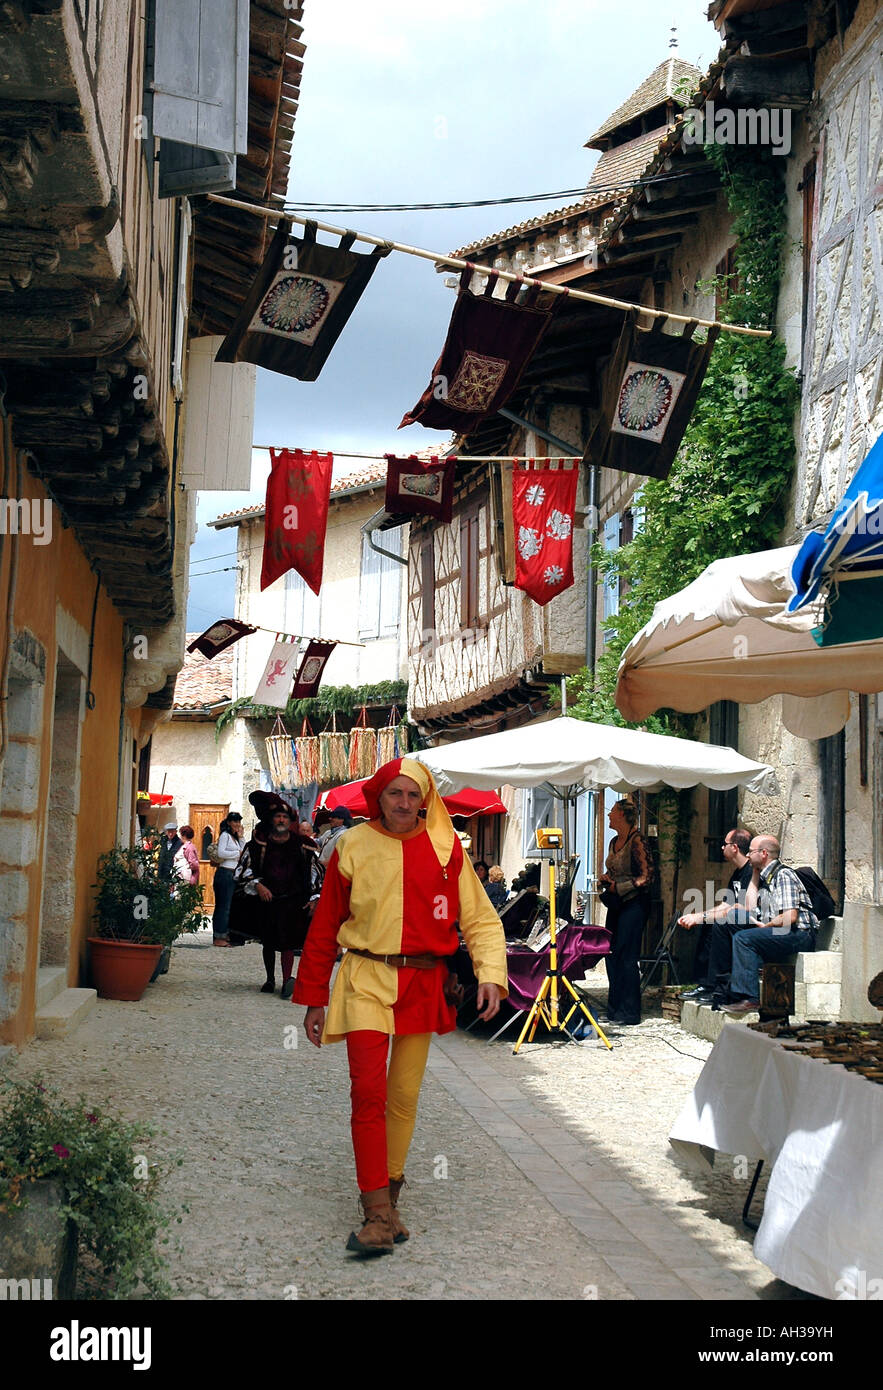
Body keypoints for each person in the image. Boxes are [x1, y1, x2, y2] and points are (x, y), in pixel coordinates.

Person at [293, 757, 508, 1256]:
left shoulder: (447, 847)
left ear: (425, 799)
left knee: (403, 1096)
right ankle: (376, 1215)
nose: (405, 803)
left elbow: (478, 918)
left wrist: (493, 975)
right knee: (367, 1094)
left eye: (414, 795)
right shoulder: (350, 845)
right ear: (380, 796)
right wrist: (312, 997)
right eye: (396, 794)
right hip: (365, 977)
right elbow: (324, 928)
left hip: (423, 983)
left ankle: (390, 1203)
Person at [722, 834, 818, 1014]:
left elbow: (790, 917)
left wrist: (767, 926)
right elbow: (750, 907)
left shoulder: (784, 875)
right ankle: (752, 969)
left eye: (751, 852)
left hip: (800, 934)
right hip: (782, 931)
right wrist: (755, 876)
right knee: (735, 916)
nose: (748, 855)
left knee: (743, 939)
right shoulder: (765, 876)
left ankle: (750, 998)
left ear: (764, 853)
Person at [230, 792, 313, 997]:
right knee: (268, 942)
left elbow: (314, 873)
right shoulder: (258, 844)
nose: (281, 820)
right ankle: (270, 979)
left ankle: (287, 981)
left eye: (285, 817)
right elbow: (242, 870)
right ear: (271, 819)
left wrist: (313, 898)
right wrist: (258, 885)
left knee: (287, 943)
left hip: (292, 902)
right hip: (268, 901)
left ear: (290, 820)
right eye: (277, 817)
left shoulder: (301, 845)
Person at [678, 828, 753, 1003]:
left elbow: (739, 907)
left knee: (717, 924)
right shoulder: (738, 873)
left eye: (725, 844)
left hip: (749, 922)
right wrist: (700, 916)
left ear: (734, 847)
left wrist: (700, 917)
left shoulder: (750, 872)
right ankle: (705, 984)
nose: (721, 848)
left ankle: (716, 986)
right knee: (709, 924)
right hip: (735, 918)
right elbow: (727, 904)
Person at [599, 799, 653, 1026]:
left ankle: (630, 1012)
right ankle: (614, 1008)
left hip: (633, 905)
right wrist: (606, 880)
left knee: (628, 957)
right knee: (611, 955)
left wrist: (618, 887)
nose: (609, 815)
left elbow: (646, 876)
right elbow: (612, 868)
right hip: (616, 905)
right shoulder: (614, 841)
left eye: (612, 812)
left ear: (622, 815)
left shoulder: (638, 840)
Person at [212, 812, 244, 947]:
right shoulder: (225, 836)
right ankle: (219, 936)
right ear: (229, 822)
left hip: (233, 874)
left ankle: (225, 934)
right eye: (235, 821)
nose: (237, 824)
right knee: (223, 907)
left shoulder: (235, 838)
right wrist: (237, 854)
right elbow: (221, 853)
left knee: (228, 907)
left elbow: (244, 851)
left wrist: (241, 837)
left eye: (239, 822)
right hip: (225, 873)